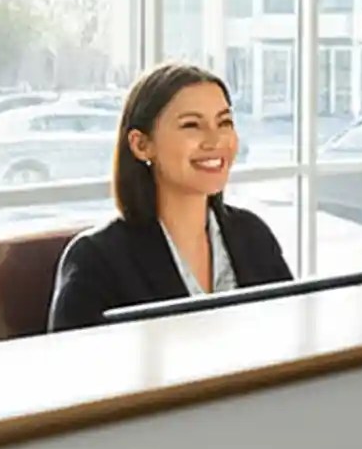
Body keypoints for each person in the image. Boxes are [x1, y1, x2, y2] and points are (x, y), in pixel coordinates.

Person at [48, 62, 293, 332]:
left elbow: (292, 338)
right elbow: (74, 368)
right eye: (192, 125)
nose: (215, 140)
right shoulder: (96, 259)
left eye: (224, 122)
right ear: (142, 145)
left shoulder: (253, 234)